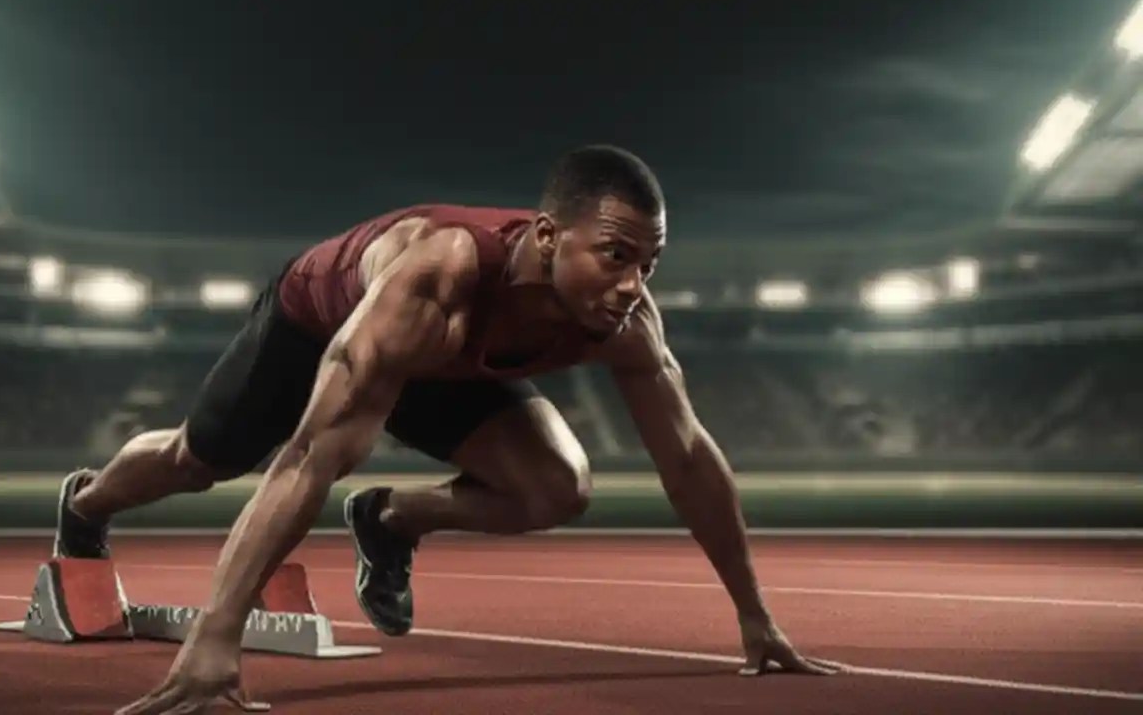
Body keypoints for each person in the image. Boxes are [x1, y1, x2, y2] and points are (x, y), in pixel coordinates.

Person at [58, 144, 837, 715]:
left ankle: (390, 517)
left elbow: (690, 460)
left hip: (449, 369)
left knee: (559, 487)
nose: (633, 285)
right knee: (200, 460)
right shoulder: (437, 280)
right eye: (614, 255)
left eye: (650, 264)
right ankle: (87, 505)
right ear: (544, 238)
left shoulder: (627, 321)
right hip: (316, 329)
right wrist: (216, 637)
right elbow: (306, 459)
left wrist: (755, 615)